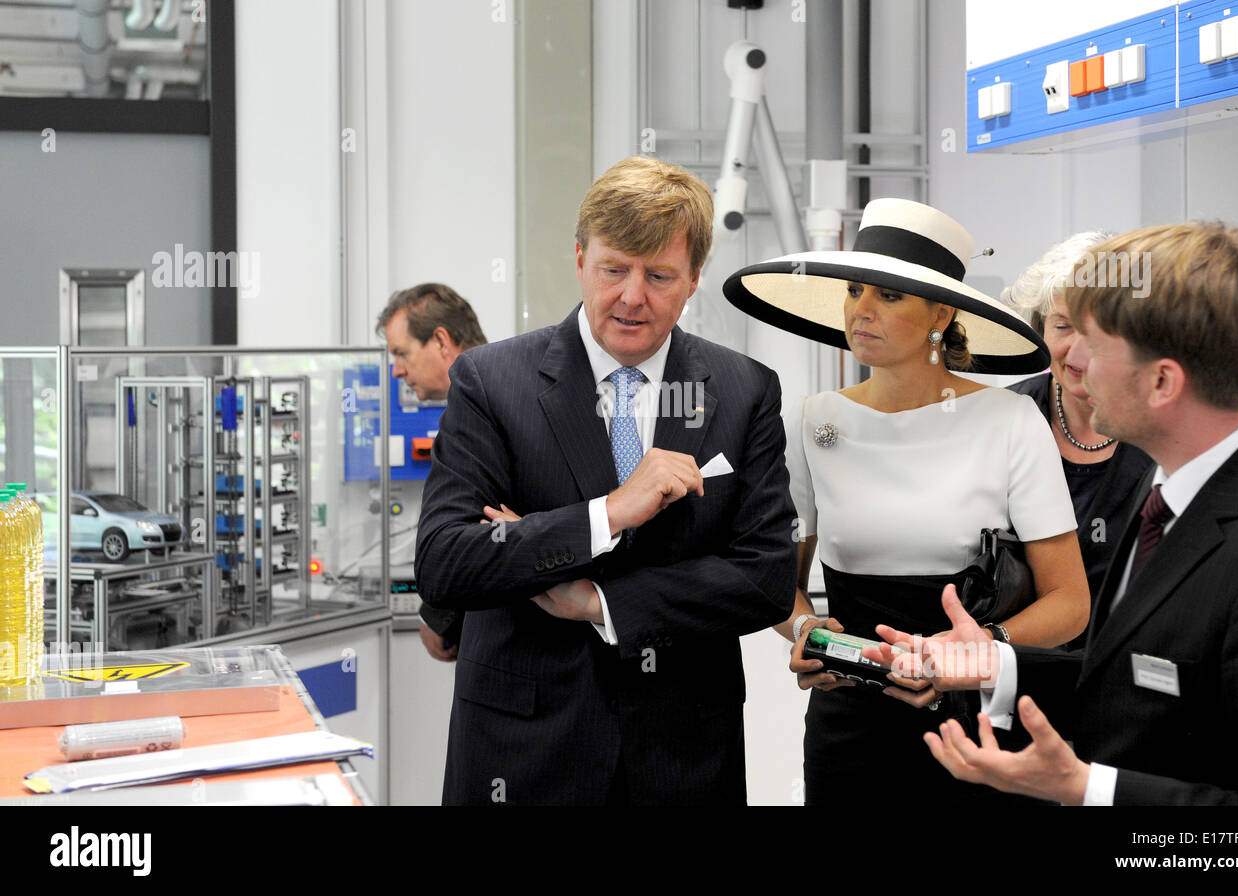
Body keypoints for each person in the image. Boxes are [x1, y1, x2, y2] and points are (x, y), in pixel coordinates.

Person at [871, 221, 1238, 805]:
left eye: (1096, 344)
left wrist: (1088, 789)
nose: (1073, 364)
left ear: (1162, 381)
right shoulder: (1176, 497)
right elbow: (1134, 678)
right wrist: (992, 662)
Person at [414, 156, 797, 805]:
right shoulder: (491, 384)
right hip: (525, 757)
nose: (631, 296)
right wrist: (608, 514)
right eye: (614, 269)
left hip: (683, 759)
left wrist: (599, 602)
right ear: (579, 258)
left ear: (695, 277)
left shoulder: (743, 392)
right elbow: (447, 562)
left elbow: (764, 580)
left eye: (659, 275)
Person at [723, 198, 1089, 804]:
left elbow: (1070, 603)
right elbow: (772, 583)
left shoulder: (1009, 421)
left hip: (975, 725)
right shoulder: (815, 422)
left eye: (888, 297)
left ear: (941, 312)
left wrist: (971, 654)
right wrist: (808, 632)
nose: (860, 312)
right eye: (854, 292)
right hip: (850, 727)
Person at [1004, 234, 1154, 642]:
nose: (1078, 353)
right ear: (1040, 330)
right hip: (1009, 671)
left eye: (1100, 329)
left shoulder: (1166, 431)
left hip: (1126, 676)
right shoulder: (999, 419)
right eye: (1063, 326)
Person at [377, 282, 488, 662]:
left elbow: (484, 527)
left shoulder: (487, 407)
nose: (396, 371)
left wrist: (439, 616)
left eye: (402, 353)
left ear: (441, 341)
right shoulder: (492, 394)